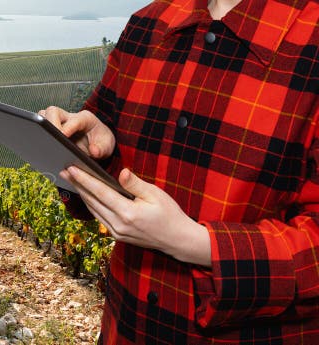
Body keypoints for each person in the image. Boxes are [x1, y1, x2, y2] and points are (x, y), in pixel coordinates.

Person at [40, 0, 319, 343]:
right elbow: (110, 173)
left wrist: (191, 242)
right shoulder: (147, 25)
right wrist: (91, 152)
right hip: (124, 330)